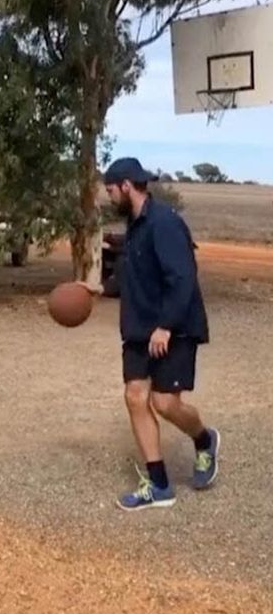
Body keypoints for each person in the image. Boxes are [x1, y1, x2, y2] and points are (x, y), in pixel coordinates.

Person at [97, 157, 219, 511]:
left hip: (174, 327)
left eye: (110, 189)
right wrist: (100, 290)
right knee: (135, 397)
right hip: (139, 329)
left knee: (165, 403)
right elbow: (132, 275)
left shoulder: (164, 223)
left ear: (125, 186)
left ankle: (204, 439)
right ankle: (159, 484)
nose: (109, 196)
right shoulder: (134, 225)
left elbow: (182, 278)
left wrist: (165, 326)